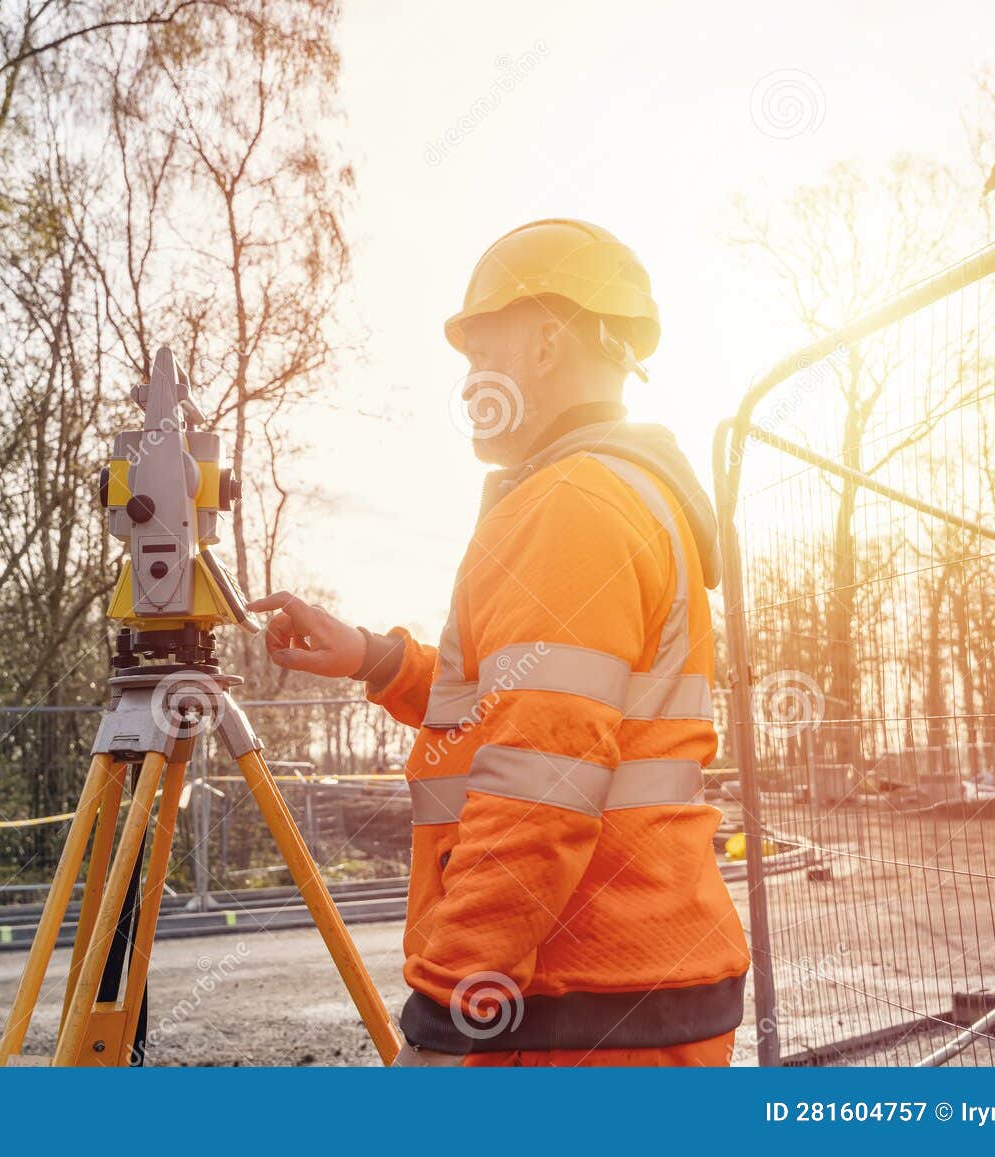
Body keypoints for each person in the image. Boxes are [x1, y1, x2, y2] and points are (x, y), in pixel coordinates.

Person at [247, 219, 751, 1067]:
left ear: (549, 343)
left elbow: (539, 784)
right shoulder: (616, 493)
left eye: (483, 348)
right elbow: (533, 709)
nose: (472, 378)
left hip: (574, 1007)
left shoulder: (570, 506)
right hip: (628, 992)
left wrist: (450, 1011)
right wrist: (376, 658)